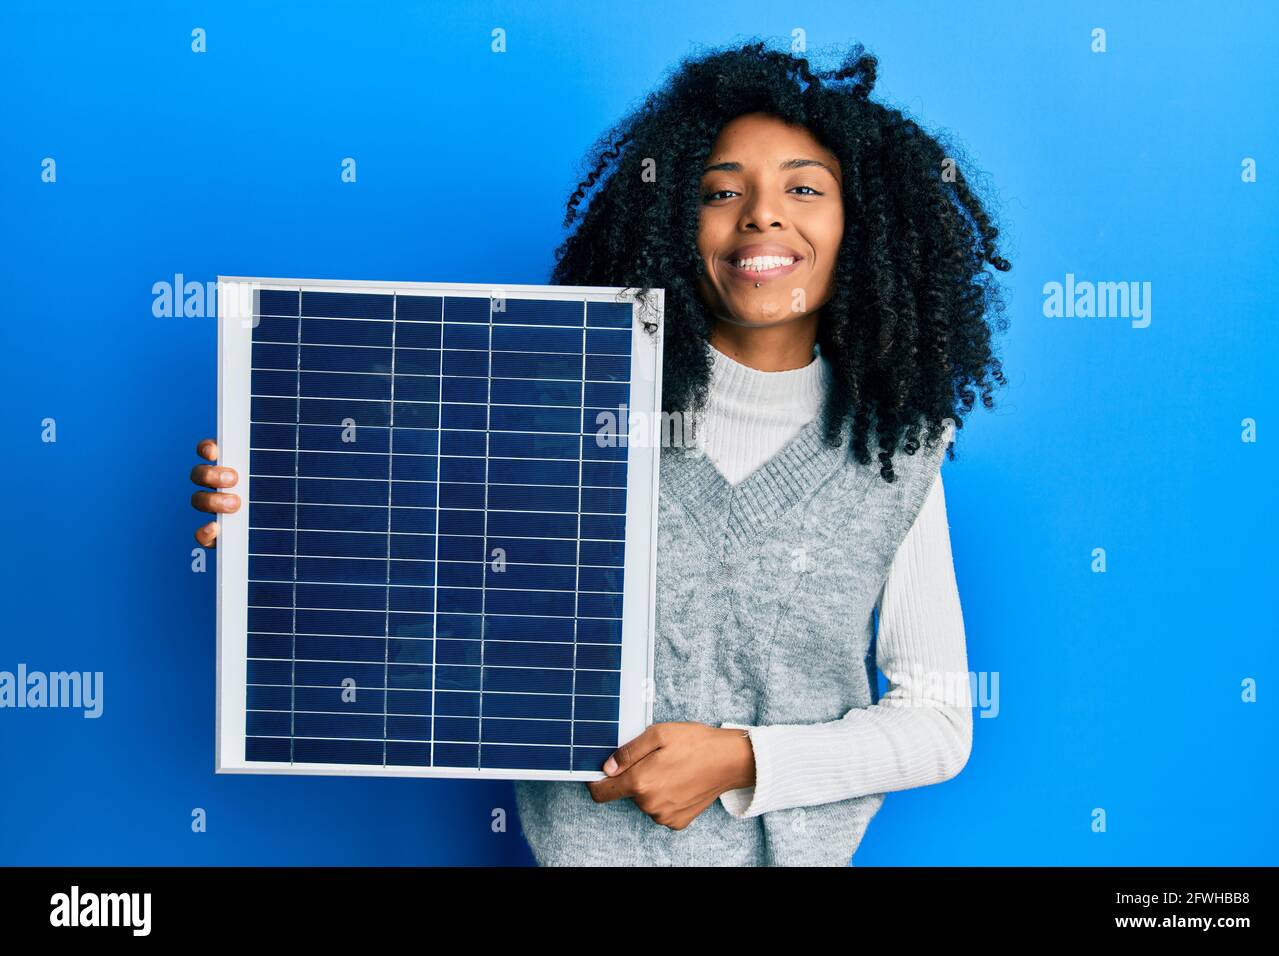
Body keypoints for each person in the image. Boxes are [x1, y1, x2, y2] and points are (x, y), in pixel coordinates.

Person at [190, 40, 1011, 866]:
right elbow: (428, 579)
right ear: (672, 226)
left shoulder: (896, 452)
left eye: (804, 187)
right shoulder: (572, 411)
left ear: (859, 226)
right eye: (720, 191)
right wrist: (283, 514)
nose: (760, 214)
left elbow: (937, 722)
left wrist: (740, 759)